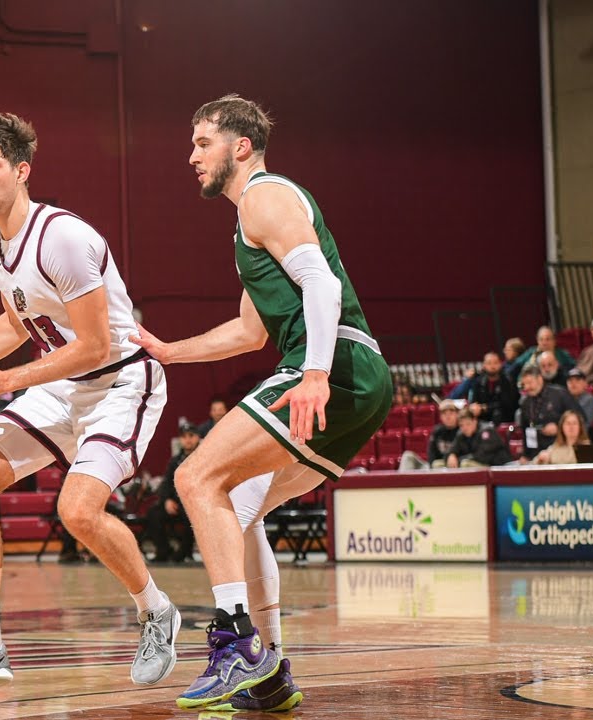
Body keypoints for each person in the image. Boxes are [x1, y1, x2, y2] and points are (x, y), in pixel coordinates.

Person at [0, 109, 185, 692]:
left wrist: (5, 382)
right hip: (61, 383)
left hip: (120, 381)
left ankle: (157, 610)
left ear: (22, 170)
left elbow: (95, 344)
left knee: (78, 512)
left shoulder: (63, 235)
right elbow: (18, 323)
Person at [131, 95, 393, 711]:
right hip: (359, 377)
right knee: (239, 504)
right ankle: (271, 673)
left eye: (202, 142)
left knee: (196, 477)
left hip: (338, 366)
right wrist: (170, 352)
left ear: (239, 146)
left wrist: (315, 374)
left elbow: (323, 286)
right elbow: (249, 332)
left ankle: (235, 642)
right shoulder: (249, 222)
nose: (191, 155)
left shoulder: (263, 196)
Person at [144, 422, 200, 562]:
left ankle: (182, 554)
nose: (188, 439)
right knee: (154, 513)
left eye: (191, 436)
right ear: (180, 440)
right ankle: (163, 550)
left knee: (192, 517)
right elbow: (166, 483)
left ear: (198, 437)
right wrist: (167, 500)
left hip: (195, 504)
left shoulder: (203, 459)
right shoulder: (175, 461)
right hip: (176, 503)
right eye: (184, 436)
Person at [517, 366, 581, 463]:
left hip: (560, 451)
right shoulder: (525, 403)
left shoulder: (559, 394)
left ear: (539, 379)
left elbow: (580, 418)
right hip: (536, 454)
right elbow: (526, 430)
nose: (527, 387)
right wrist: (526, 455)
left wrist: (559, 427)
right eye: (524, 384)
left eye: (530, 383)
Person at [398, 400, 460, 470]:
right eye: (444, 414)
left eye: (451, 413)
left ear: (457, 414)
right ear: (440, 417)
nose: (448, 417)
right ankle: (401, 480)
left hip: (455, 467)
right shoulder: (437, 431)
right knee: (407, 456)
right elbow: (431, 454)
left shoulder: (463, 430)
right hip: (434, 468)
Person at [463, 352, 519, 424]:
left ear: (500, 364)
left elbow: (508, 403)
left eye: (495, 363)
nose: (493, 366)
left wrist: (486, 408)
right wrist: (474, 407)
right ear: (484, 365)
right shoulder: (478, 381)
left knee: (498, 413)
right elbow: (475, 401)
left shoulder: (508, 380)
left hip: (505, 416)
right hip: (483, 415)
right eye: (489, 363)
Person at [445, 409, 512, 467]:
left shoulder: (487, 431)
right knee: (438, 464)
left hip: (497, 467)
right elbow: (452, 449)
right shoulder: (461, 434)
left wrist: (458, 460)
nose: (465, 428)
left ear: (475, 421)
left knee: (466, 464)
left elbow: (481, 456)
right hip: (478, 464)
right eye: (461, 425)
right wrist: (451, 455)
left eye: (468, 424)